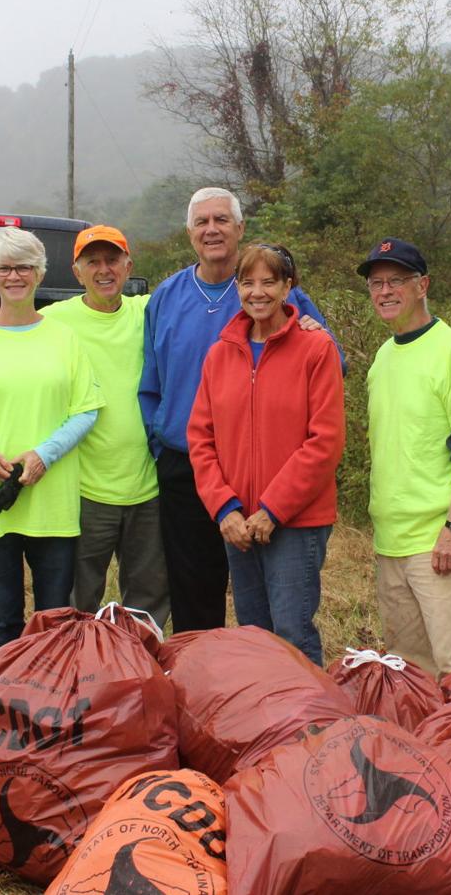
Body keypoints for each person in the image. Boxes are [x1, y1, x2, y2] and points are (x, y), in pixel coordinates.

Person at [139, 187, 339, 632]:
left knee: (278, 618)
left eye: (222, 220)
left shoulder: (276, 291)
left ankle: (280, 695)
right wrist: (160, 445)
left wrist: (312, 329)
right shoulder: (165, 298)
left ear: (240, 228)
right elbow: (149, 386)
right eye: (202, 222)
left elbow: (326, 363)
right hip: (189, 469)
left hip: (266, 477)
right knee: (195, 598)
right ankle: (203, 691)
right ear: (189, 232)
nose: (212, 229)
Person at [0, 226, 169, 628]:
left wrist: (302, 316)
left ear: (129, 267)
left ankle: (140, 680)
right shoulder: (57, 323)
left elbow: (218, 293)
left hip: (147, 488)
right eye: (93, 262)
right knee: (75, 608)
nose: (103, 270)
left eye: (112, 261)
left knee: (149, 603)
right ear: (77, 271)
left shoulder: (149, 312)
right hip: (84, 492)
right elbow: (10, 322)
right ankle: (76, 683)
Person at [0, 226, 102, 652]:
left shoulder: (64, 337)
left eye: (24, 267)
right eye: (4, 267)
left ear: (40, 273)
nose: (14, 276)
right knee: (4, 618)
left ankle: (53, 705)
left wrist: (45, 454)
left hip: (53, 504)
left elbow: (86, 409)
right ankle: (5, 708)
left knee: (54, 619)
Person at [187, 244, 344, 665]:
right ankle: (265, 728)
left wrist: (272, 510)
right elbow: (200, 438)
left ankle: (312, 727)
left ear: (288, 287)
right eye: (248, 282)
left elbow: (325, 441)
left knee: (292, 633)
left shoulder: (316, 349)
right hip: (238, 523)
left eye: (269, 282)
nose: (258, 292)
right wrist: (225, 510)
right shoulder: (221, 353)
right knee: (254, 636)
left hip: (295, 522)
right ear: (237, 287)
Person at [359, 237, 451, 677]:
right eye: (376, 283)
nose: (384, 291)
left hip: (439, 544)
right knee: (411, 675)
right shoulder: (382, 356)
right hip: (391, 544)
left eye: (396, 280)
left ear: (423, 285)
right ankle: (427, 747)